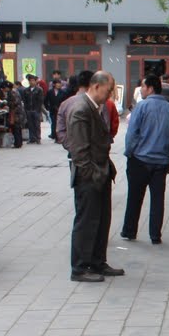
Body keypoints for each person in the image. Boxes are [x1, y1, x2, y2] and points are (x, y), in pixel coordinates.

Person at [64, 70, 123, 282]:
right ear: (96, 86)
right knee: (87, 222)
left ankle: (97, 261)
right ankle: (80, 267)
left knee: (101, 220)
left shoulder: (93, 106)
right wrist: (93, 174)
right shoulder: (81, 108)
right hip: (89, 175)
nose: (109, 96)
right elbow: (79, 150)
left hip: (100, 172)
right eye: (108, 91)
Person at [121, 74, 169, 244]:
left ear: (150, 88)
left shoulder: (141, 107)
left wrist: (129, 152)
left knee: (134, 197)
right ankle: (155, 235)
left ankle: (129, 230)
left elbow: (132, 134)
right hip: (161, 161)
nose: (141, 89)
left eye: (143, 86)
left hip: (140, 159)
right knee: (157, 199)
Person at [44, 73, 72, 142]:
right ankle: (55, 136)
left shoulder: (63, 92)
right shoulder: (50, 92)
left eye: (60, 83)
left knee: (60, 124)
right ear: (54, 84)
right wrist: (47, 107)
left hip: (61, 110)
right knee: (53, 123)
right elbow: (45, 100)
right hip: (52, 110)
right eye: (57, 83)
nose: (59, 85)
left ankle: (59, 137)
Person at [18, 73, 45, 144]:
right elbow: (24, 100)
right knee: (30, 124)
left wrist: (38, 109)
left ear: (36, 81)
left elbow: (41, 100)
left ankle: (38, 138)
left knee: (37, 124)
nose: (32, 82)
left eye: (33, 80)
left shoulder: (39, 90)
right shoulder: (26, 90)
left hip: (36, 109)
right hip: (29, 109)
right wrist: (26, 109)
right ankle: (31, 138)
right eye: (30, 80)